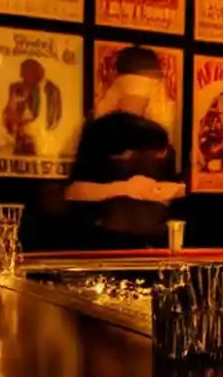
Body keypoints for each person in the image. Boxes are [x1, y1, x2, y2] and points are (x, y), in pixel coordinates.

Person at [66, 46, 186, 249]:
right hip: (108, 243)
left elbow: (175, 186)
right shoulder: (101, 130)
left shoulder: (159, 134)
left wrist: (171, 191)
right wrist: (124, 189)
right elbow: (73, 191)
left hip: (156, 244)